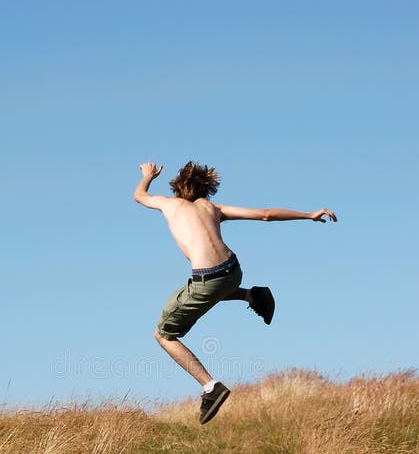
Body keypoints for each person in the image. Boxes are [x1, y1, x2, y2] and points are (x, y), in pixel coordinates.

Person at [134, 161, 337, 424]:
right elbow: (265, 214)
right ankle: (251, 295)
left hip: (207, 280)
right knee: (201, 290)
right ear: (206, 190)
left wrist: (147, 176)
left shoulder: (169, 205)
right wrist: (308, 214)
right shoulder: (214, 208)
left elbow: (139, 195)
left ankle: (210, 386)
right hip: (233, 271)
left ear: (177, 190)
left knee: (163, 335)